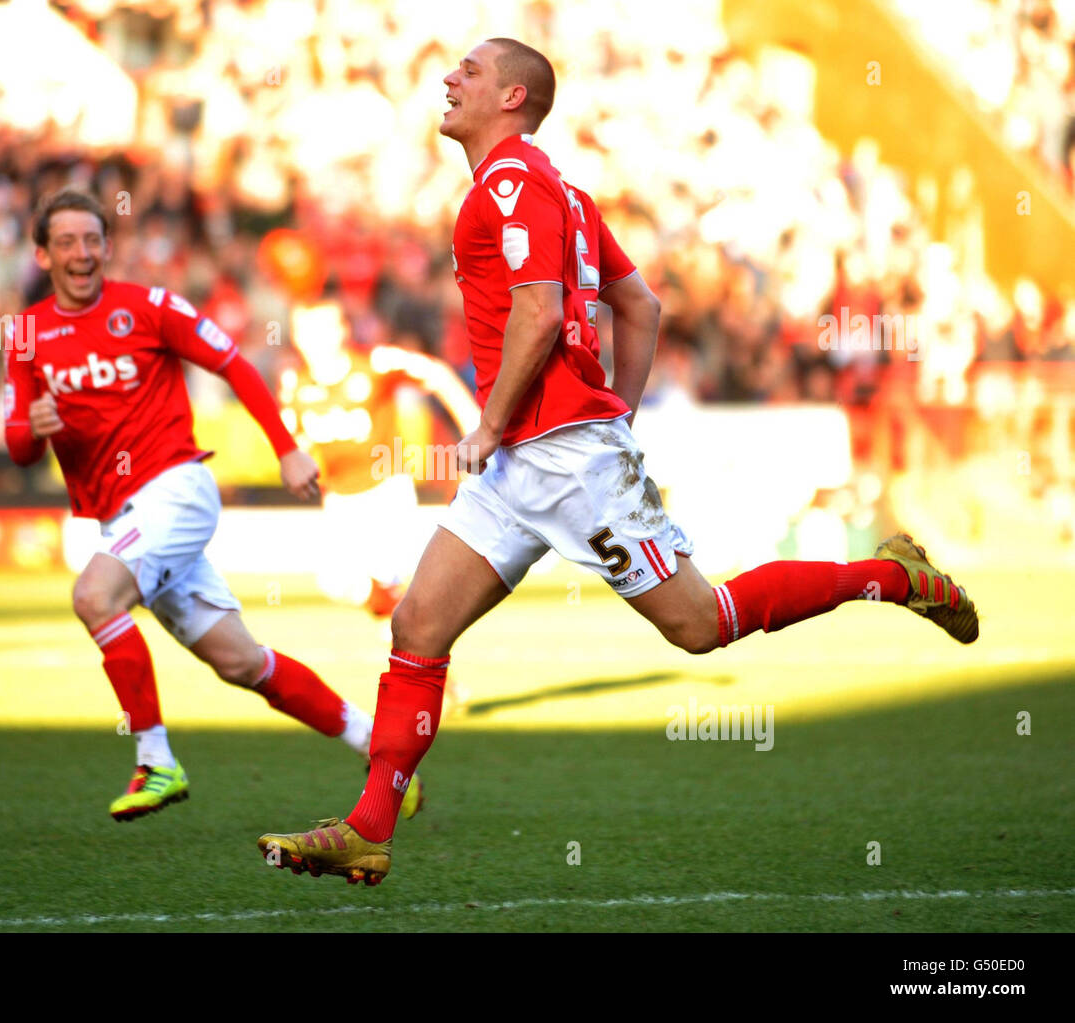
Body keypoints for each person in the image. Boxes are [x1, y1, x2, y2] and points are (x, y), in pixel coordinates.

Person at [257, 38, 977, 885]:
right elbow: (640, 303)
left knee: (699, 624)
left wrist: (510, 426)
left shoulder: (516, 180)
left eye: (471, 72)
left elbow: (538, 311)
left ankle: (891, 576)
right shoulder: (558, 188)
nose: (450, 79)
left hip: (560, 458)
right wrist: (614, 413)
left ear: (514, 97)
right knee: (417, 626)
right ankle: (369, 826)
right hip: (528, 462)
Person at [3, 188, 422, 822]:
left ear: (106, 248)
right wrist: (31, 429)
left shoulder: (148, 308)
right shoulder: (28, 335)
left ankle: (156, 761)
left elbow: (235, 367)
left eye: (93, 239)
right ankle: (380, 751)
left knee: (93, 596)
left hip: (175, 489)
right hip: (121, 517)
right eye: (66, 241)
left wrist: (286, 449)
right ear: (43, 254)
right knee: (241, 661)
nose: (82, 252)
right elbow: (19, 450)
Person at [278, 301, 480, 617]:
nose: (315, 340)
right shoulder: (295, 386)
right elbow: (294, 442)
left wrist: (475, 426)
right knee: (336, 583)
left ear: (342, 330)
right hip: (339, 500)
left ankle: (413, 644)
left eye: (323, 329)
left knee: (387, 578)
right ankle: (400, 620)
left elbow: (437, 374)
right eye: (306, 331)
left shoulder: (375, 362)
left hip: (385, 493)